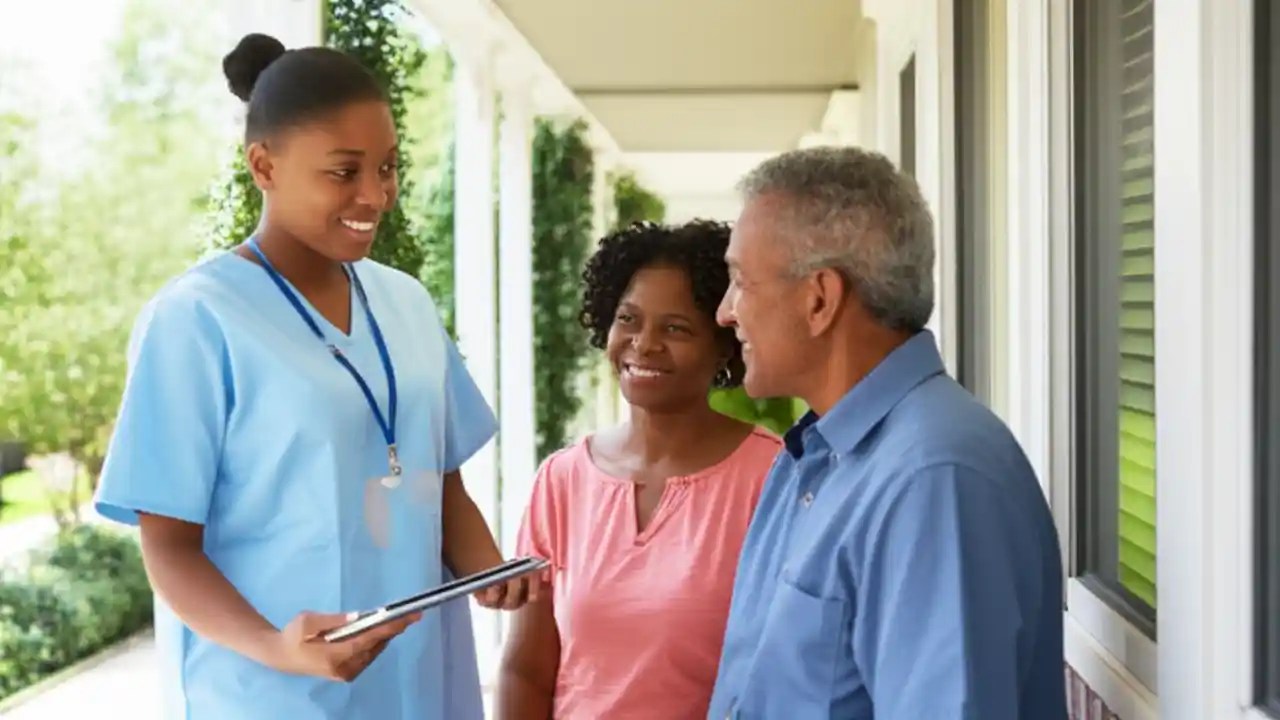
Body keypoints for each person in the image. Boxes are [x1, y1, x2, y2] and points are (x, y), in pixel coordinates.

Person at [93, 33, 534, 720]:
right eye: (344, 172)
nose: (376, 194)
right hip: (267, 691)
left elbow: (438, 483)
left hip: (413, 685)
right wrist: (277, 647)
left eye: (387, 167)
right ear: (263, 165)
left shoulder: (406, 303)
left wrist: (487, 569)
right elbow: (169, 549)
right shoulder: (196, 319)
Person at [707, 147, 1068, 719]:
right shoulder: (811, 459)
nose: (727, 312)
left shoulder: (935, 482)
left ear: (819, 299)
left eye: (739, 281)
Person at [495, 220, 782, 719]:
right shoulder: (562, 481)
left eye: (675, 328)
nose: (643, 344)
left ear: (723, 344)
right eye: (628, 319)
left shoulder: (773, 476)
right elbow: (526, 670)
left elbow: (788, 672)